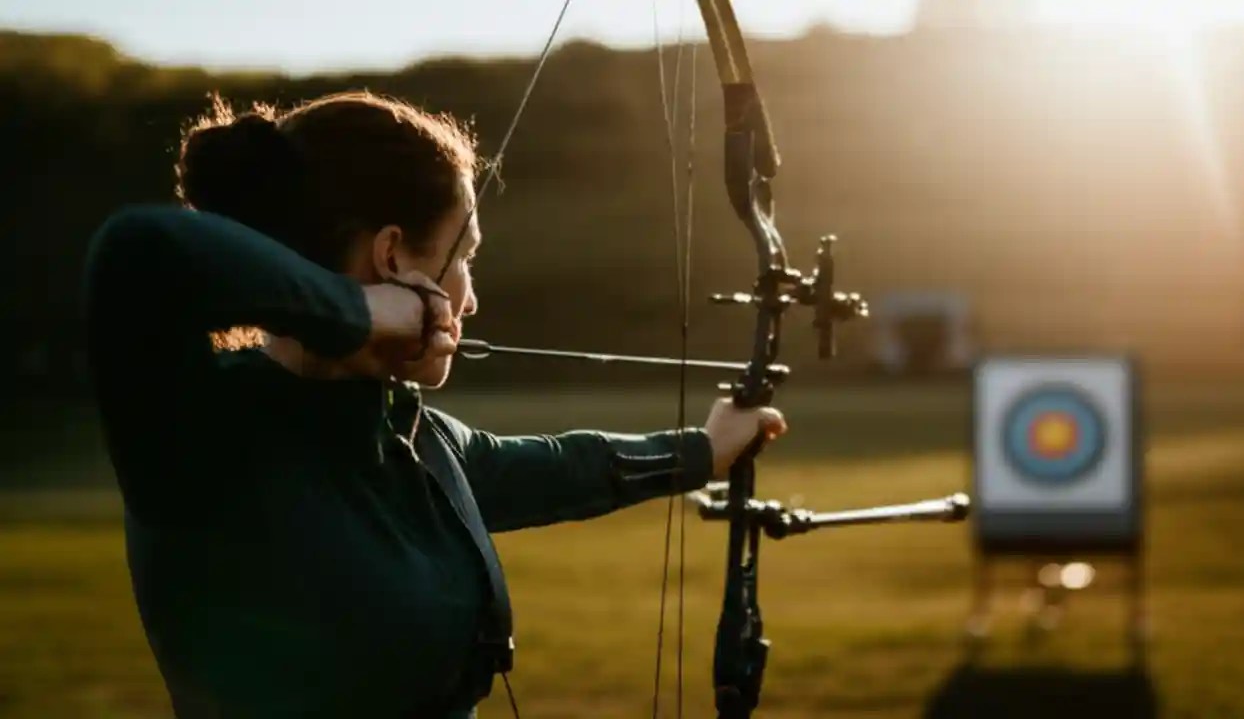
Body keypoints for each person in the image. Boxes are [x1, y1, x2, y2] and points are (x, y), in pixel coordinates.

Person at [82, 91, 787, 718]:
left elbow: (566, 467)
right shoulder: (197, 431)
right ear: (393, 259)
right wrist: (363, 313)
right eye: (464, 255)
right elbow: (138, 251)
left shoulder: (412, 436)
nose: (471, 297)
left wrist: (705, 449)